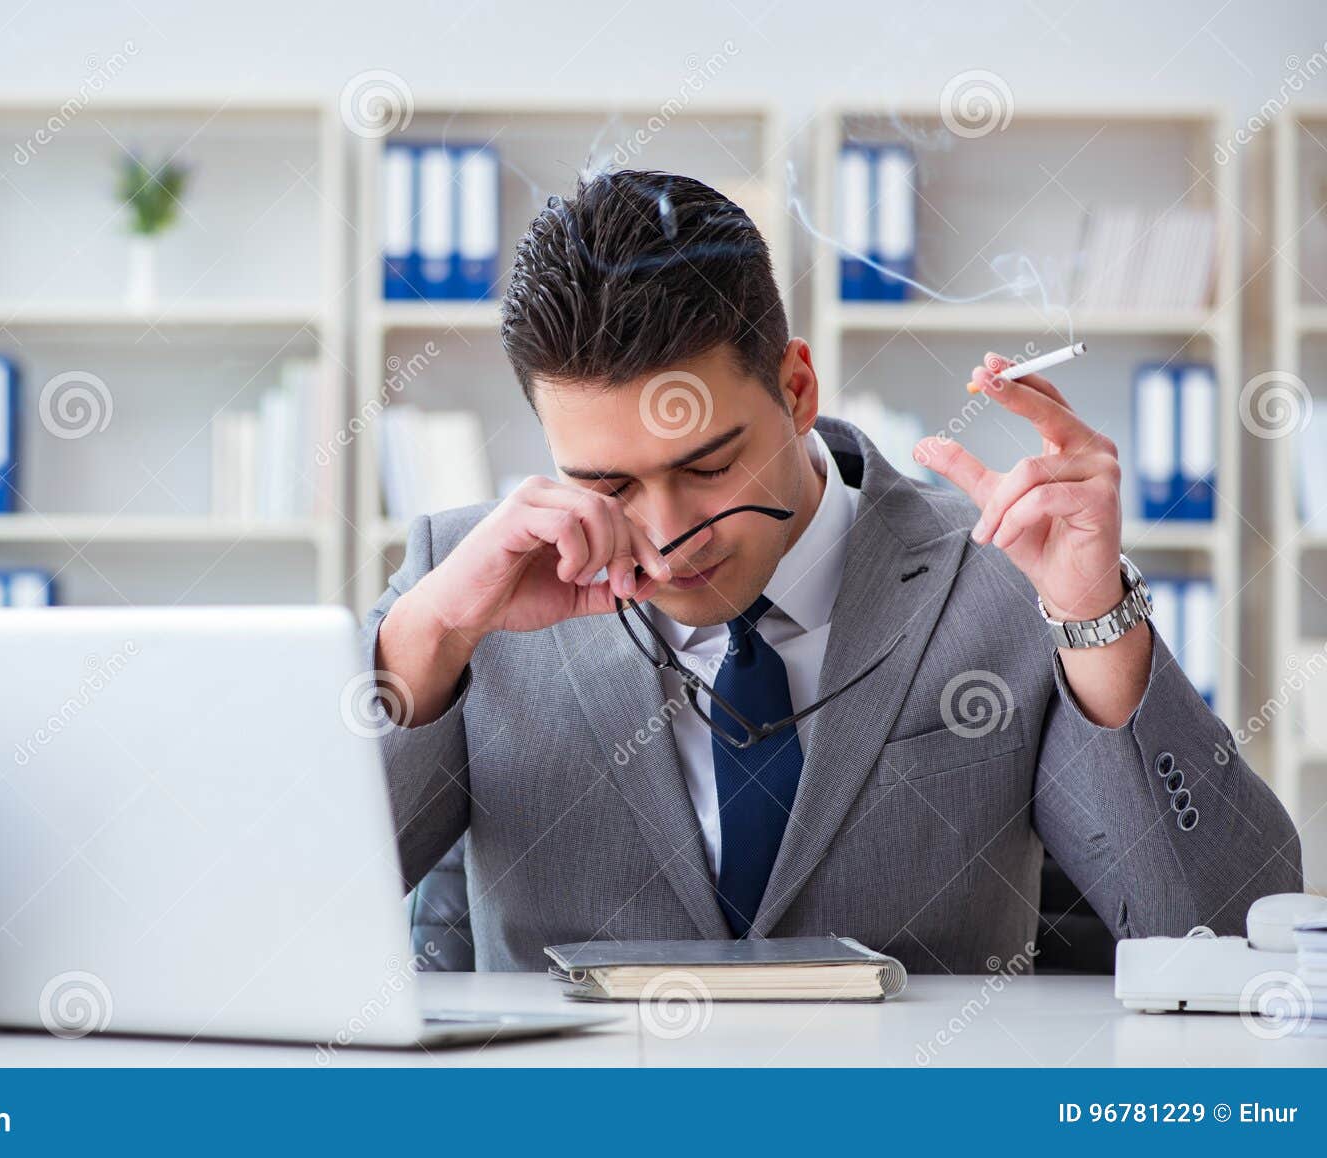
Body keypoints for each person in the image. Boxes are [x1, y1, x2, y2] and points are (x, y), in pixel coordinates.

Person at [362, 169, 1300, 973]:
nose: (668, 533)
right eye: (608, 482)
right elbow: (274, 920)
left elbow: (1229, 939)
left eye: (708, 465)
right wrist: (429, 639)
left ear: (798, 388)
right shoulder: (462, 586)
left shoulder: (1004, 577)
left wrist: (1096, 617)